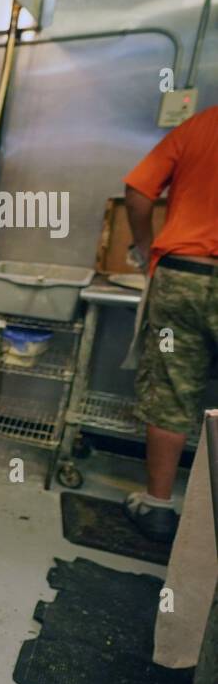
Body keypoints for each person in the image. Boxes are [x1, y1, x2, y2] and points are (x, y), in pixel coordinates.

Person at [122, 104, 218, 542]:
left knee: (172, 387)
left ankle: (158, 506)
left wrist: (145, 247)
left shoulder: (202, 125)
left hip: (184, 274)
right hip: (187, 271)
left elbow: (139, 188)